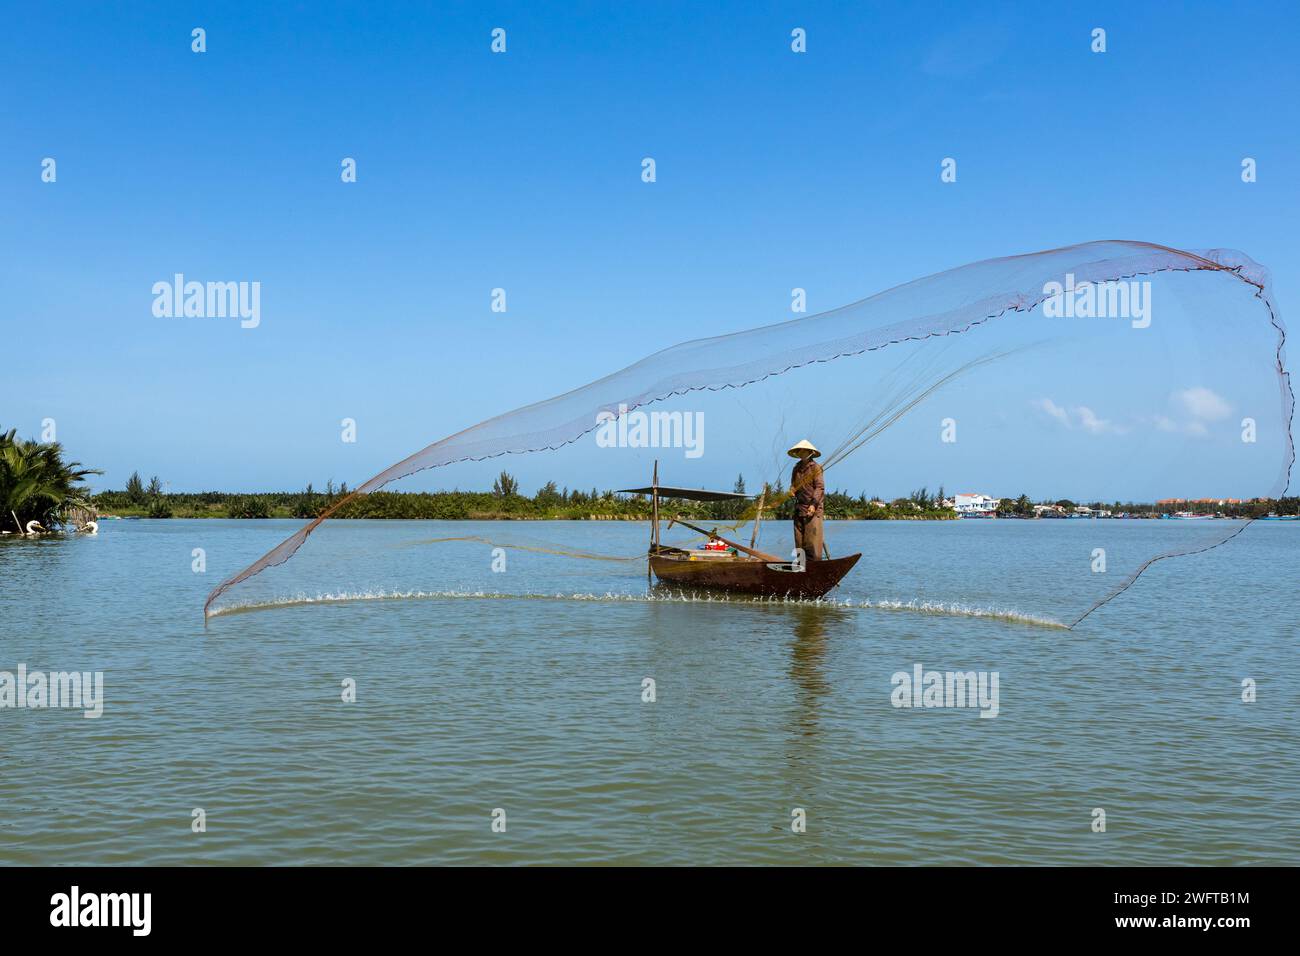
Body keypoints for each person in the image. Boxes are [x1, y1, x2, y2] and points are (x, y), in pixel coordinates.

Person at [787, 439, 824, 562]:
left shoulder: (816, 468)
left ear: (809, 452)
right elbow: (793, 486)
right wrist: (791, 490)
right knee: (799, 541)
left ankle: (814, 568)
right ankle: (801, 566)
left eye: (803, 451)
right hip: (799, 508)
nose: (801, 453)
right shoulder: (796, 468)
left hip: (813, 509)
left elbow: (819, 488)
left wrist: (813, 505)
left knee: (811, 542)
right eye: (799, 451)